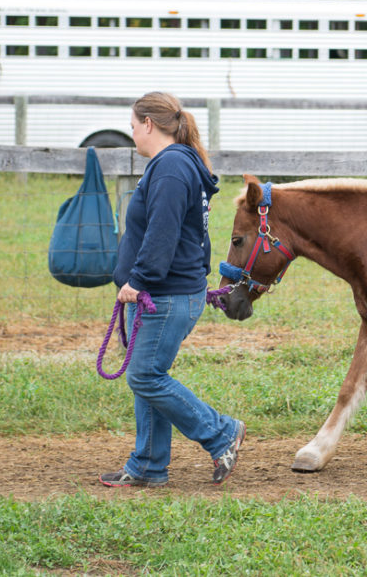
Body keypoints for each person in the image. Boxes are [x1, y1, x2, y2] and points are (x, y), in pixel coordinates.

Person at [100, 91, 245, 488]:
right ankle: (148, 464)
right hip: (175, 291)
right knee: (151, 373)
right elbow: (194, 234)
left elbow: (162, 235)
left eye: (132, 127)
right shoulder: (181, 165)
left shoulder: (169, 169)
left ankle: (221, 433)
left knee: (145, 376)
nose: (132, 136)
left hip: (163, 294)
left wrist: (138, 280)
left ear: (149, 124)